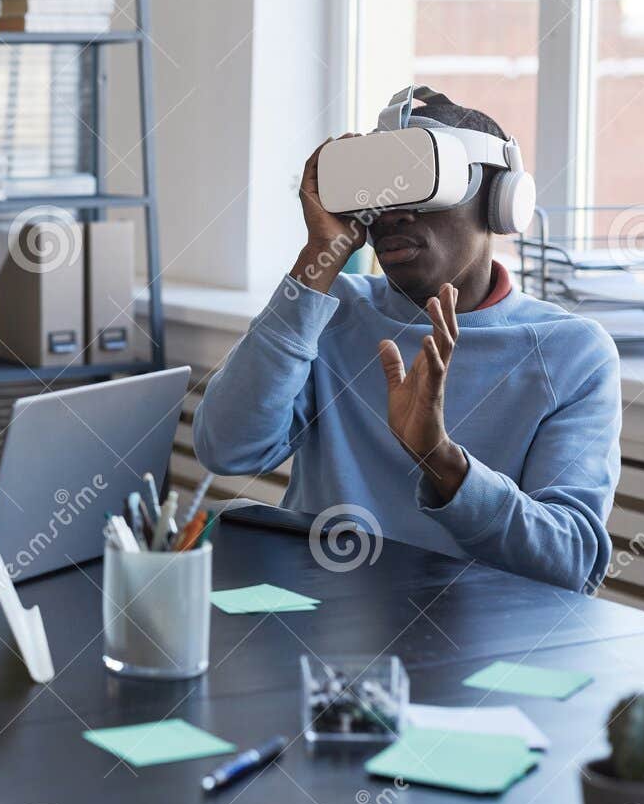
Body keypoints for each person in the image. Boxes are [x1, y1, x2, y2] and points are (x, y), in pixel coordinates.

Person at [193, 91, 619, 593]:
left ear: (500, 201)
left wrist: (441, 460)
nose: (393, 211)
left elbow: (571, 561)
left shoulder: (572, 352)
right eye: (379, 190)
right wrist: (319, 255)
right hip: (322, 614)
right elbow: (226, 449)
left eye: (423, 181)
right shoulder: (330, 310)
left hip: (480, 632)